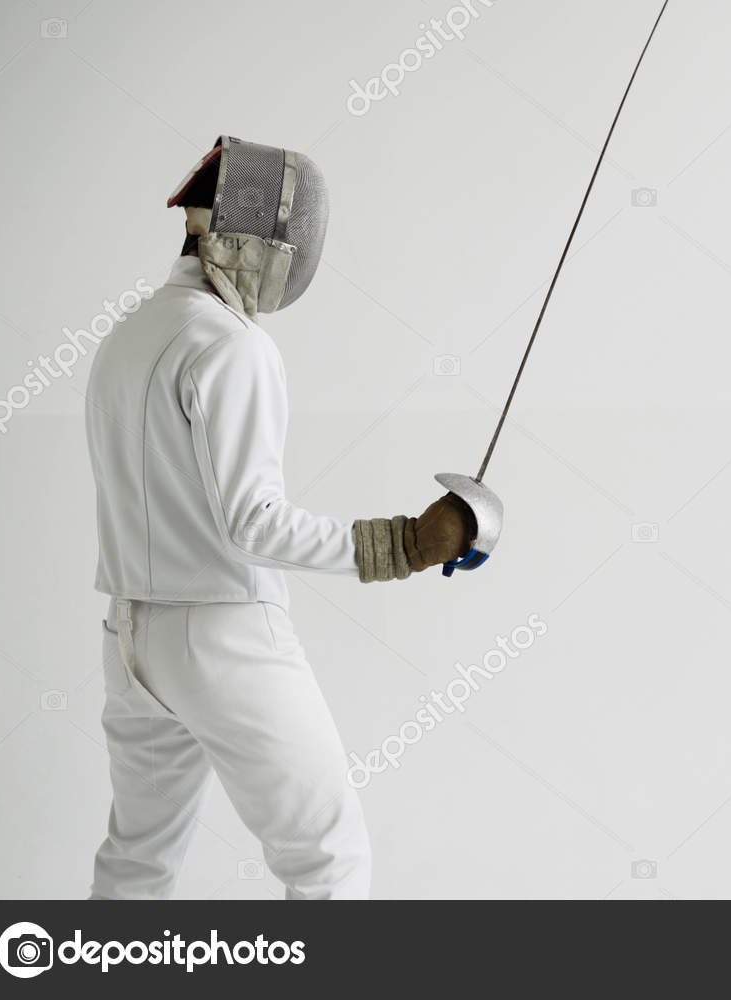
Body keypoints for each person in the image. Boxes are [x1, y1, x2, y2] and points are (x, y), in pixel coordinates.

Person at [84, 136, 476, 899]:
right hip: (222, 632)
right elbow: (253, 524)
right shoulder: (230, 345)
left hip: (128, 635)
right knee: (327, 857)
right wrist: (406, 544)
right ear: (257, 239)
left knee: (137, 861)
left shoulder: (128, 334)